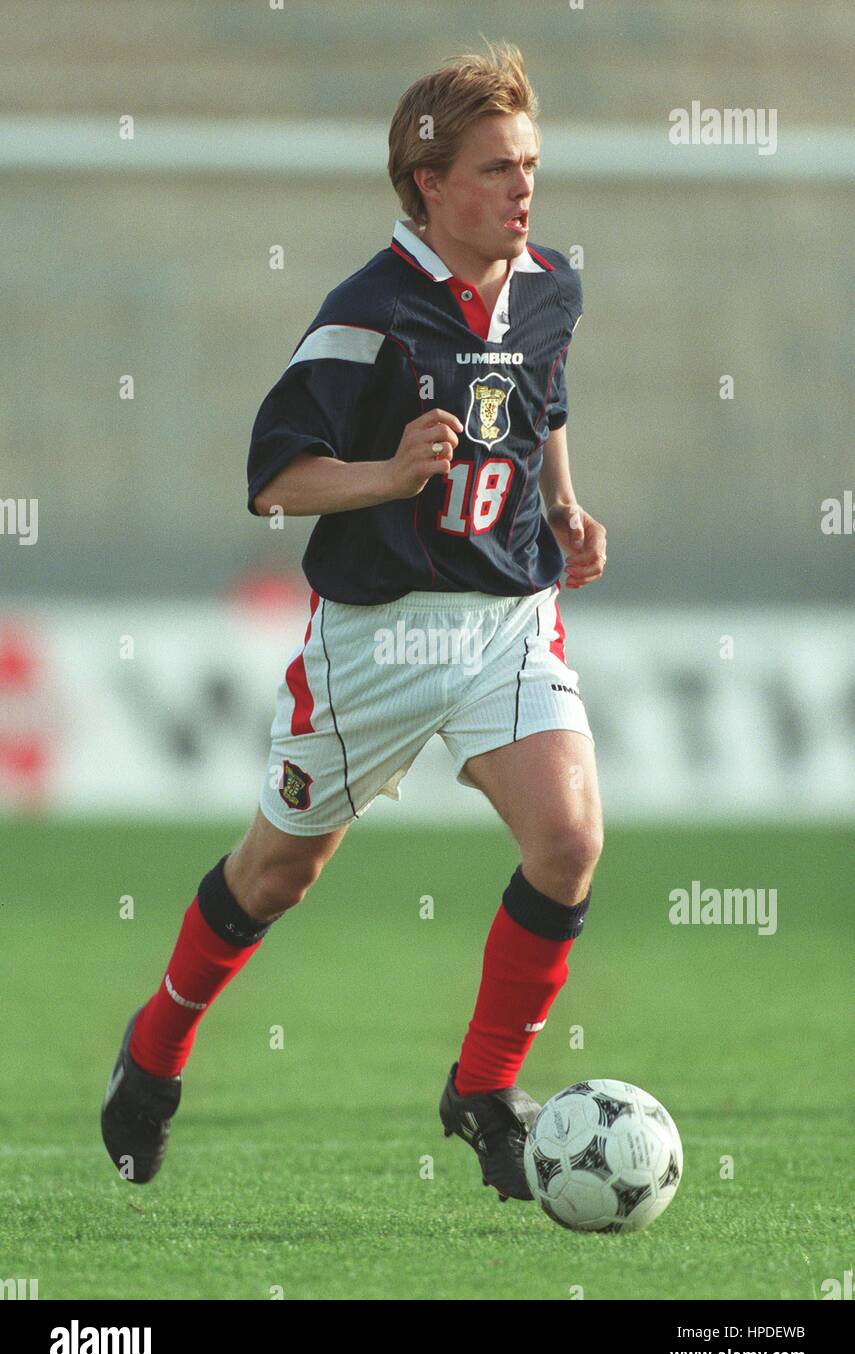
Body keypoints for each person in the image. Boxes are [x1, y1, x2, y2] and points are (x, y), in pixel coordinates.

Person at [101, 40, 607, 1203]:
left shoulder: (552, 285)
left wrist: (568, 508)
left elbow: (545, 400)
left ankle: (484, 1090)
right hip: (375, 640)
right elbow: (276, 477)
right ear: (429, 185)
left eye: (529, 163)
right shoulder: (367, 312)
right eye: (495, 169)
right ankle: (155, 1052)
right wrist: (385, 473)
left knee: (570, 839)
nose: (522, 189)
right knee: (277, 874)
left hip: (505, 621)